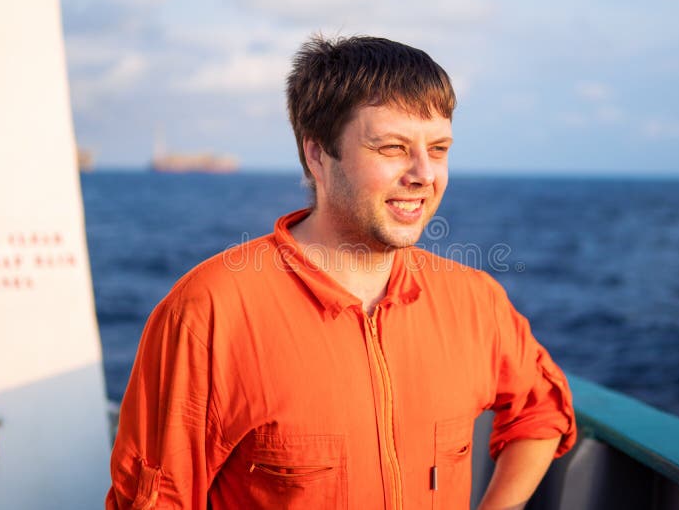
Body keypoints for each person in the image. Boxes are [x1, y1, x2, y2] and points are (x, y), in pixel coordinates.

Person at [107, 35, 576, 510]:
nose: (424, 173)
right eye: (392, 148)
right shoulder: (210, 312)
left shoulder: (475, 300)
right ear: (318, 156)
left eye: (438, 148)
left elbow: (541, 410)